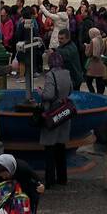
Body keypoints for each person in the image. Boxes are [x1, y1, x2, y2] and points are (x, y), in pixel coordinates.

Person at [40, 48, 73, 187]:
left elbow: (48, 95)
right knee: (61, 148)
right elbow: (71, 90)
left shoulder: (50, 75)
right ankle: (62, 178)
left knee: (50, 149)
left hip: (52, 114)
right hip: (64, 114)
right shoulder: (67, 73)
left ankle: (50, 181)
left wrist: (41, 93)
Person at [84, 26, 107, 94]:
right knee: (99, 81)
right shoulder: (103, 40)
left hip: (93, 64)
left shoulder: (93, 41)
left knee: (88, 81)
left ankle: (92, 94)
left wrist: (87, 46)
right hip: (101, 63)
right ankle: (100, 96)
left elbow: (88, 53)